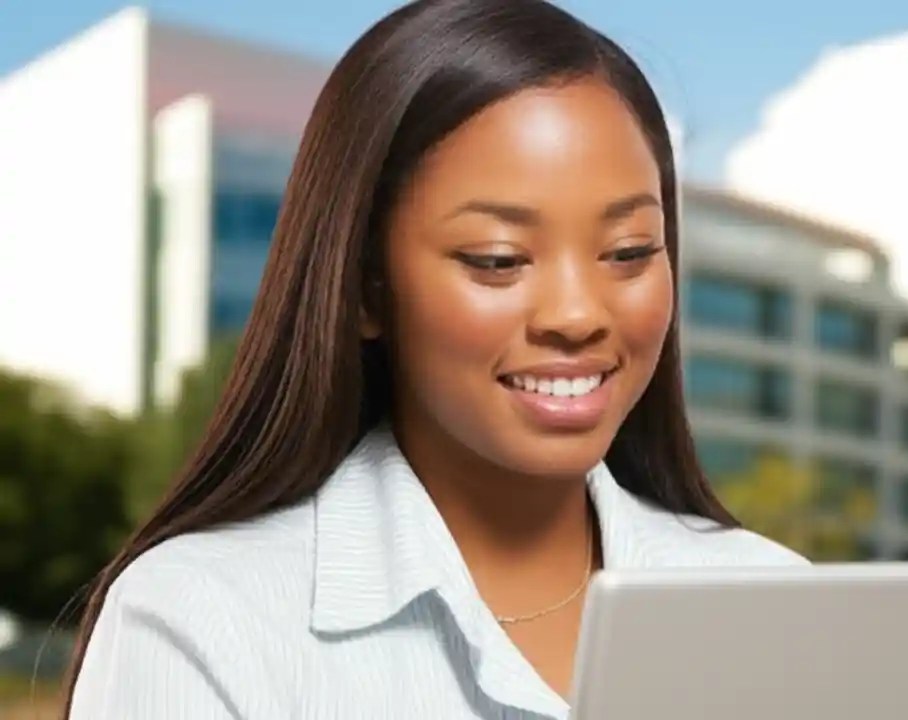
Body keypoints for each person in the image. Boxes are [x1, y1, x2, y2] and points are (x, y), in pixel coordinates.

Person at [64, 0, 807, 717]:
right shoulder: (200, 619)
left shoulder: (780, 603)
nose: (578, 314)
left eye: (629, 252)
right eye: (498, 259)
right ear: (364, 289)